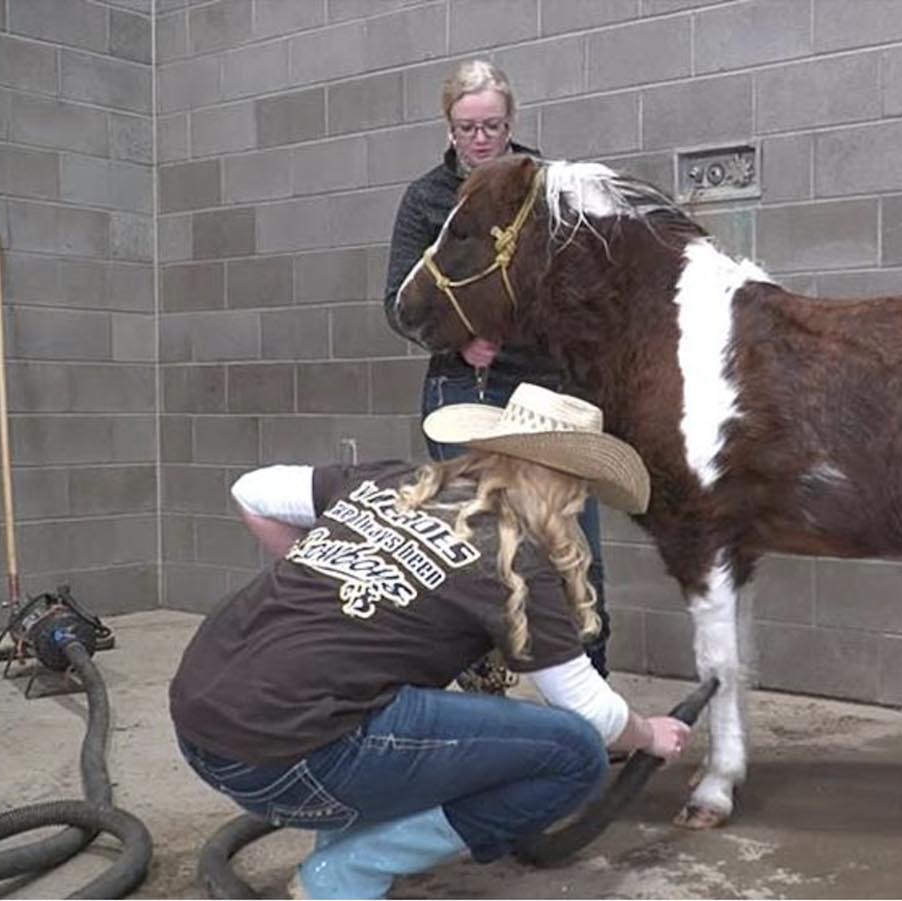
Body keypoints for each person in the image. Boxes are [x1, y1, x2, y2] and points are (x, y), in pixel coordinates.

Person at [169, 383, 691, 900]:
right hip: (282, 763)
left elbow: (252, 490)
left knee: (385, 708)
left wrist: (342, 585)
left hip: (197, 730)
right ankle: (346, 876)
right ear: (567, 488)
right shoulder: (514, 558)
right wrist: (648, 735)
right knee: (576, 755)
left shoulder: (393, 480)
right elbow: (591, 715)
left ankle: (347, 819)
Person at [383, 59, 613, 691]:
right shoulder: (426, 198)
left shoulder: (549, 188)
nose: (480, 139)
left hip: (546, 391)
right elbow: (398, 304)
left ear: (511, 122)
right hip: (464, 387)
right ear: (448, 126)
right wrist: (458, 342)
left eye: (492, 126)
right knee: (471, 542)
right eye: (466, 128)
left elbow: (586, 286)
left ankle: (593, 685)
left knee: (570, 541)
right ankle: (480, 678)